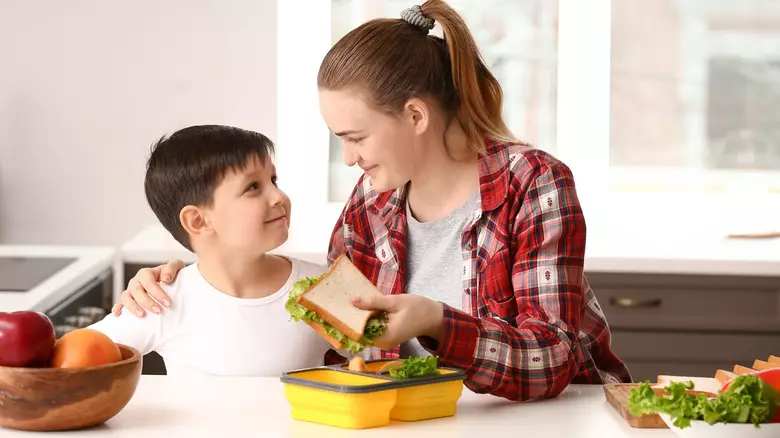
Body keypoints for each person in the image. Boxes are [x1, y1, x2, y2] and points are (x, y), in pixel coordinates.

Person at [113, 1, 631, 399]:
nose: (348, 158)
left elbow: (553, 359)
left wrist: (434, 321)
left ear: (414, 116)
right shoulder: (373, 201)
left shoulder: (533, 184)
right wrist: (189, 275)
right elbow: (346, 328)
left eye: (356, 138)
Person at [91, 125, 331, 377]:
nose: (278, 196)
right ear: (197, 221)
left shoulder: (321, 286)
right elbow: (67, 359)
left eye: (273, 180)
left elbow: (372, 361)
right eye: (252, 187)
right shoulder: (162, 300)